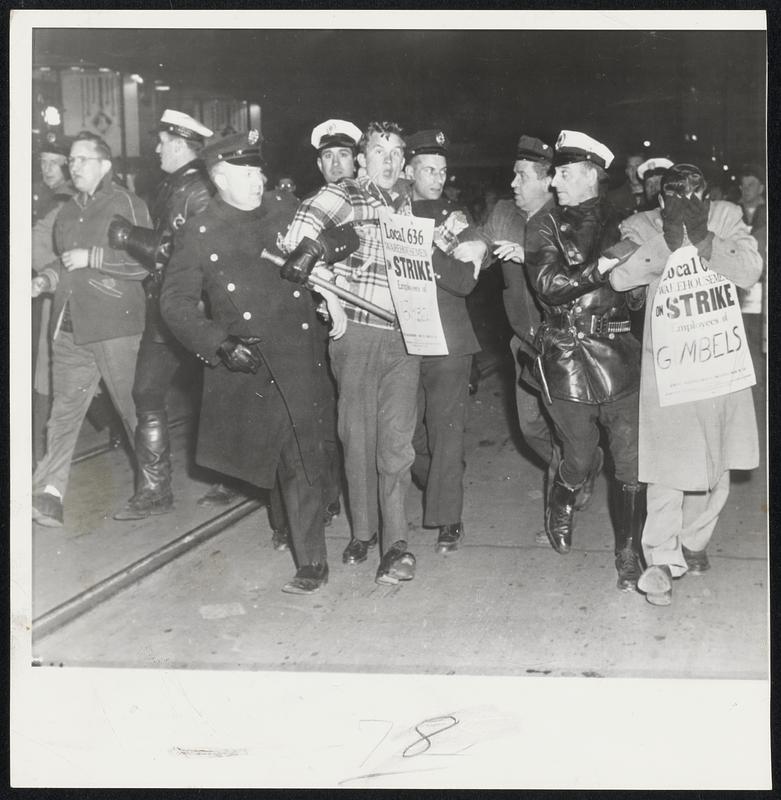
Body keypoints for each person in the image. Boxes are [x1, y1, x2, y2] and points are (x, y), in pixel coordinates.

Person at [160, 130, 344, 594]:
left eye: (258, 170)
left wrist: (318, 249)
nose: (257, 179)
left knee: (302, 455)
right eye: (245, 172)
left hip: (299, 353)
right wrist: (219, 343)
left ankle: (312, 562)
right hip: (249, 359)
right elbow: (175, 304)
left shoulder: (288, 210)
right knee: (271, 456)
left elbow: (348, 232)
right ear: (220, 178)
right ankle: (285, 523)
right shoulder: (199, 233)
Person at [608, 163, 761, 606]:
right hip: (670, 363)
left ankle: (694, 540)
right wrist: (669, 237)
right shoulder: (640, 226)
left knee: (719, 463)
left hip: (719, 359)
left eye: (697, 195)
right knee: (668, 465)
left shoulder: (728, 218)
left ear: (708, 196)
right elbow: (620, 277)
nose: (688, 203)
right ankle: (660, 559)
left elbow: (751, 270)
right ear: (661, 199)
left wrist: (706, 239)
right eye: (677, 196)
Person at [281, 120, 420, 586]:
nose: (389, 160)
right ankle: (363, 531)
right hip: (358, 336)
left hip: (407, 338)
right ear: (363, 158)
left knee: (397, 444)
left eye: (397, 152)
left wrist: (474, 243)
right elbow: (293, 239)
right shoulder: (347, 195)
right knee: (356, 438)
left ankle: (396, 544)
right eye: (380, 151)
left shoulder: (409, 201)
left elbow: (451, 243)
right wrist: (331, 297)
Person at [525, 130, 644, 592]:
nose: (554, 182)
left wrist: (636, 285)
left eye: (565, 173)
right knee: (578, 455)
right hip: (567, 356)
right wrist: (606, 266)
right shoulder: (543, 225)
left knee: (631, 460)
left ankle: (628, 551)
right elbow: (550, 286)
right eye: (555, 172)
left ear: (591, 175)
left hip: (619, 355)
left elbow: (634, 293)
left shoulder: (626, 221)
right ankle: (563, 494)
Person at [108, 109, 242, 519]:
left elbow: (177, 253)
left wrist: (128, 236)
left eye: (162, 142)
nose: (156, 148)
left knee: (215, 394)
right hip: (166, 308)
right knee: (146, 391)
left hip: (194, 310)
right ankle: (154, 491)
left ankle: (231, 477)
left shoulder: (199, 190)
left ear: (181, 144)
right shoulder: (176, 185)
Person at [31, 132, 152, 527]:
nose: (74, 167)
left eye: (82, 159)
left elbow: (145, 263)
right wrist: (46, 280)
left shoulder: (126, 204)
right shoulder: (67, 213)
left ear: (105, 164)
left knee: (132, 410)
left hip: (114, 326)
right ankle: (50, 494)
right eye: (71, 160)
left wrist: (93, 256)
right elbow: (67, 264)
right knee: (64, 413)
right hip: (70, 326)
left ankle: (154, 486)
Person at [400, 129, 482, 552]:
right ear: (408, 170)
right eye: (428, 169)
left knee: (446, 431)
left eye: (443, 169)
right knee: (410, 436)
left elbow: (465, 280)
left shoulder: (457, 218)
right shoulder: (391, 210)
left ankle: (449, 517)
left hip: (449, 338)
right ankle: (442, 480)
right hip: (403, 337)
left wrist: (421, 250)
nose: (437, 176)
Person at [32, 133, 75, 466]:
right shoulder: (46, 197)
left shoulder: (62, 202)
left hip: (55, 295)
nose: (46, 168)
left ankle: (40, 457)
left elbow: (35, 244)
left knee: (49, 373)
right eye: (43, 161)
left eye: (54, 163)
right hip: (47, 290)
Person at [737, 164, 766, 358]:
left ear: (762, 188)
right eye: (743, 185)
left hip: (763, 288)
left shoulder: (767, 211)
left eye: (751, 184)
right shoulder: (732, 211)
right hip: (740, 288)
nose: (746, 189)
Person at [311, 118, 361, 185]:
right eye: (328, 156)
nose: (335, 163)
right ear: (320, 165)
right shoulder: (314, 196)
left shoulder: (373, 194)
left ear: (354, 162)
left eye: (343, 155)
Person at [607, 151, 645, 220]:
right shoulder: (613, 198)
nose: (634, 170)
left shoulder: (655, 197)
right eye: (630, 167)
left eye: (638, 166)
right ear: (626, 171)